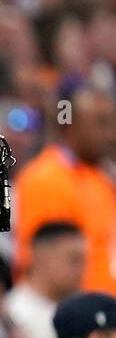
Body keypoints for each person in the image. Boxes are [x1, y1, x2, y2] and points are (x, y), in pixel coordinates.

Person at [12, 86, 116, 295]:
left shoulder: (99, 177)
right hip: (74, 316)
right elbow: (48, 268)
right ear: (71, 126)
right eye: (101, 123)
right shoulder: (46, 179)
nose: (111, 134)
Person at [5, 221, 87, 338]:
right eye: (74, 260)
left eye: (84, 261)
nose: (82, 270)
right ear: (41, 257)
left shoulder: (86, 312)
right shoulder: (11, 312)